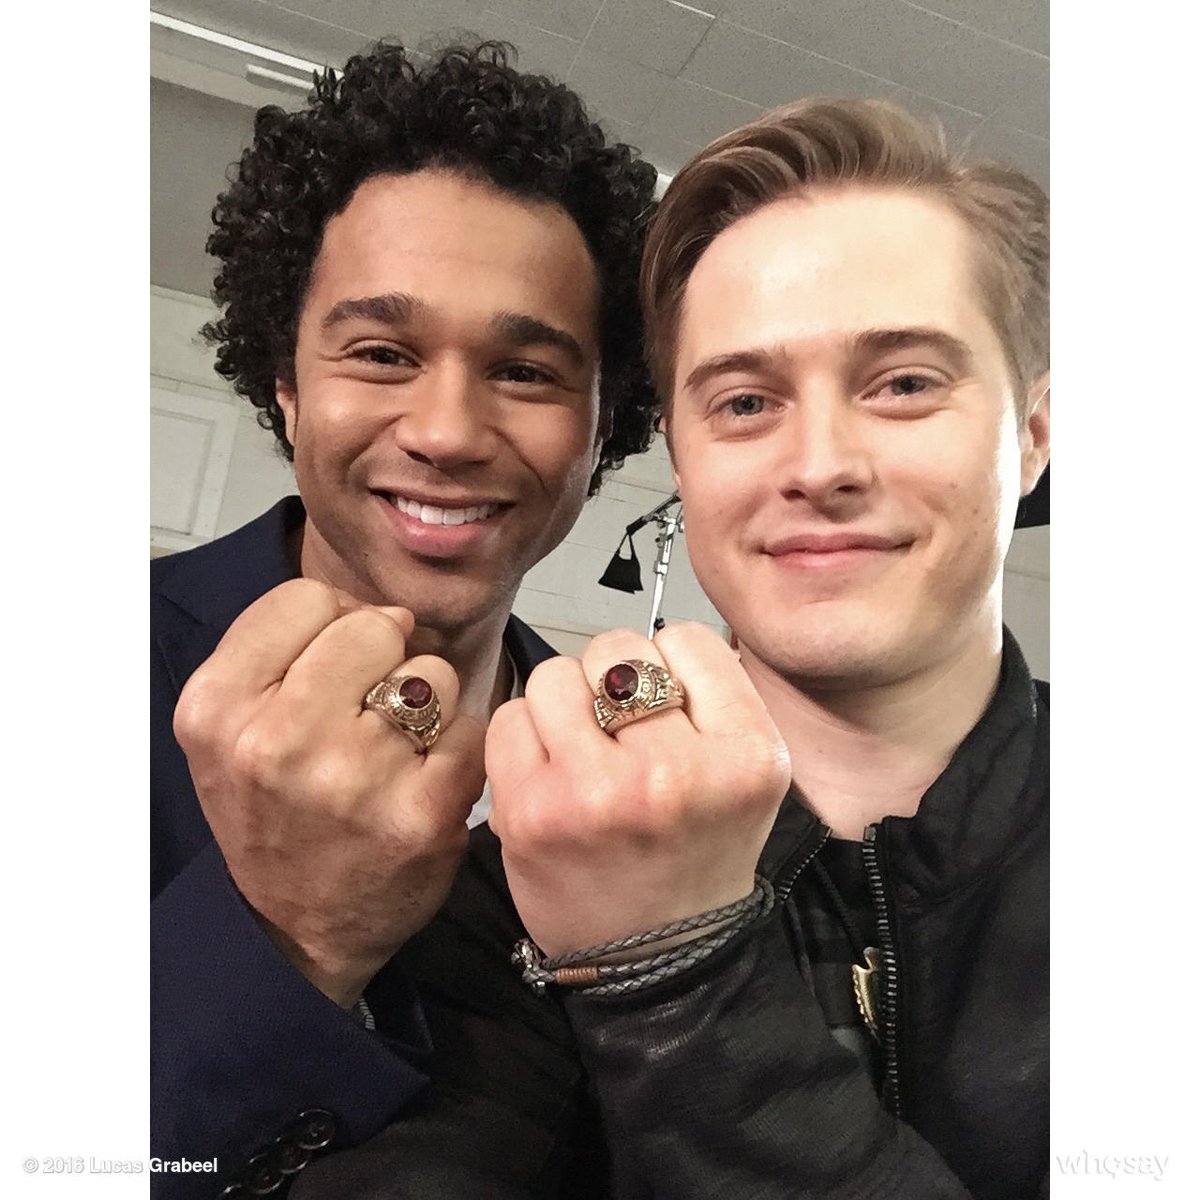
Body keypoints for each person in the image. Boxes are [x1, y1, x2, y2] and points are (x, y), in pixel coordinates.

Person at [483, 99, 1050, 1199]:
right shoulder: (522, 872)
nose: (819, 464)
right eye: (745, 402)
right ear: (683, 464)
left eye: (904, 384)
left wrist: (671, 976)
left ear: (1030, 435)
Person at [150, 40, 658, 1198]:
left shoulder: (615, 781)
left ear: (602, 429)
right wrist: (289, 938)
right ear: (286, 383)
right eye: (382, 353)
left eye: (526, 372)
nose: (447, 432)